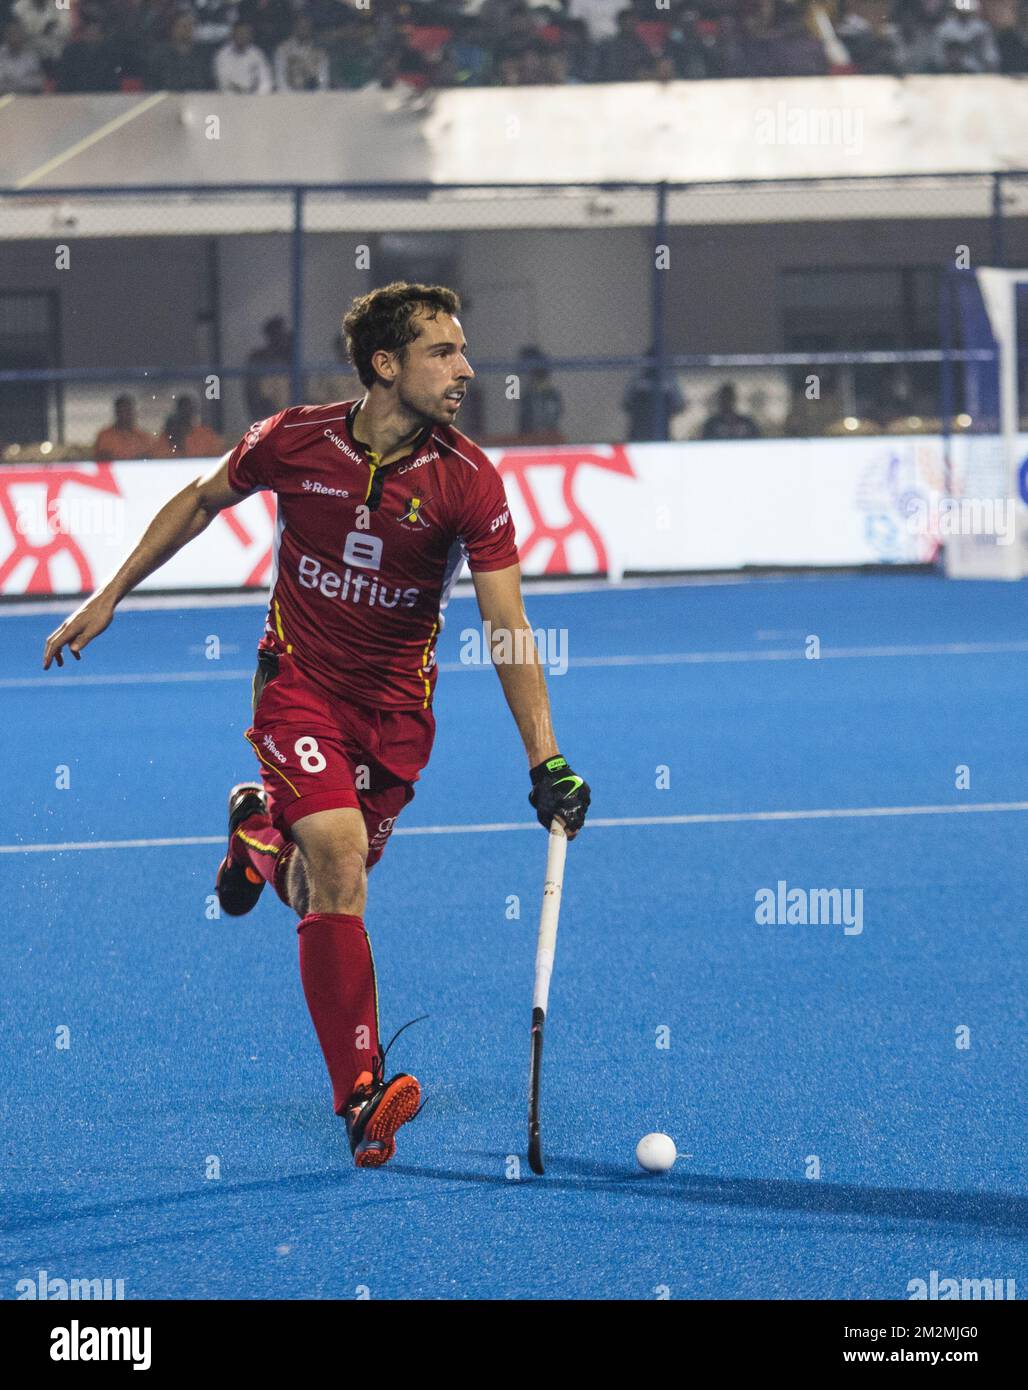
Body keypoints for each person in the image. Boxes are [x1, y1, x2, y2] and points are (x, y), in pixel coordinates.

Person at [43, 281, 591, 1170]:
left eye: (462, 351)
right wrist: (111, 594)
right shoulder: (295, 439)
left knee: (313, 886)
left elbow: (507, 625)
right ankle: (362, 1095)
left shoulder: (469, 482)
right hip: (297, 682)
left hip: (396, 715)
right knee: (339, 861)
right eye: (442, 353)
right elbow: (199, 499)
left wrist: (546, 761)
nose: (465, 368)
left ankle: (256, 837)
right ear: (386, 365)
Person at [622, 350, 685, 441]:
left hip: (661, 428)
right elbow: (626, 404)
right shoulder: (638, 380)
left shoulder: (668, 380)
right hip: (639, 429)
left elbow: (679, 405)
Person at [245, 315, 293, 417]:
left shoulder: (291, 357)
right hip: (267, 412)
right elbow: (253, 393)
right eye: (276, 334)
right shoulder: (258, 359)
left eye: (283, 335)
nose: (281, 339)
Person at [516, 346, 564, 439]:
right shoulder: (526, 395)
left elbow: (552, 417)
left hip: (546, 436)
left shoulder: (549, 394)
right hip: (528, 436)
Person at [274, 12, 329, 91]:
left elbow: (323, 80)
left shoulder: (319, 52)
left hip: (313, 97)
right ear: (294, 27)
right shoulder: (283, 50)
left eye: (306, 27)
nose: (303, 29)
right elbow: (280, 79)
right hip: (289, 96)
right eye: (301, 26)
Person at [214, 20, 273, 94]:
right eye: (239, 33)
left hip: (255, 98)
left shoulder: (257, 54)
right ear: (232, 34)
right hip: (229, 98)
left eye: (246, 33)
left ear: (251, 36)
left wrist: (257, 95)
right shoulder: (222, 55)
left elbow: (265, 81)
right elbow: (223, 82)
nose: (242, 36)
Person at [157, 394, 225, 457]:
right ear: (176, 412)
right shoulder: (166, 438)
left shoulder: (207, 436)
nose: (186, 413)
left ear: (193, 412)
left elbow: (219, 459)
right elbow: (156, 460)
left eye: (189, 409)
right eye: (183, 409)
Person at [93, 395, 156, 460]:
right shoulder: (105, 436)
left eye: (128, 411)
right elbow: (101, 459)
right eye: (122, 411)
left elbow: (151, 458)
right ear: (117, 413)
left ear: (134, 413)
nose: (125, 415)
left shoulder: (144, 437)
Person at [0, 20, 44, 93]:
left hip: (26, 98)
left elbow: (39, 81)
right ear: (6, 36)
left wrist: (16, 82)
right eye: (12, 34)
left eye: (17, 34)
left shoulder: (31, 57)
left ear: (23, 36)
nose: (15, 37)